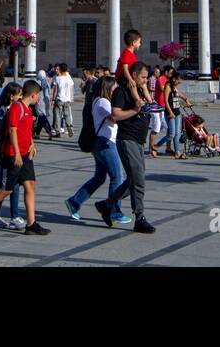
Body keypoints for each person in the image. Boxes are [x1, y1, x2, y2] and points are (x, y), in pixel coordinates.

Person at [0, 79, 49, 235]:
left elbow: (27, 130)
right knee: (6, 189)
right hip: (12, 155)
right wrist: (16, 153)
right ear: (33, 95)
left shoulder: (28, 109)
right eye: (38, 96)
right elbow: (12, 130)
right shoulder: (17, 107)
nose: (39, 99)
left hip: (25, 154)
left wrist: (32, 143)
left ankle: (31, 223)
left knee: (30, 185)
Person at [64, 74, 136, 226]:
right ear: (108, 87)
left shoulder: (101, 101)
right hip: (105, 143)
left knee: (99, 177)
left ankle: (74, 202)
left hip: (102, 143)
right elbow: (114, 117)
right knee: (117, 177)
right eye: (114, 87)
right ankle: (114, 211)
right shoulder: (102, 101)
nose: (115, 90)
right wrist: (134, 110)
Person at [110, 61, 157, 233]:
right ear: (134, 75)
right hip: (127, 139)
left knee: (134, 179)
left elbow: (152, 106)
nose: (145, 81)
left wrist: (144, 90)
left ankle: (107, 204)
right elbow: (115, 115)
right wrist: (134, 111)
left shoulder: (137, 91)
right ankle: (139, 218)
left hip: (138, 142)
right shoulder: (121, 91)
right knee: (138, 180)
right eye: (143, 78)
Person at [0, 82, 26, 229]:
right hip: (3, 150)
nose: (21, 97)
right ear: (11, 96)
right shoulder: (1, 108)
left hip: (11, 149)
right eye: (19, 94)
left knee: (6, 184)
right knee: (10, 184)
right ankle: (13, 216)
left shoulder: (14, 107)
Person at [156, 74, 187, 157]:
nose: (178, 83)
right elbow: (166, 101)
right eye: (178, 81)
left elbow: (179, 94)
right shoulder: (168, 86)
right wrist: (170, 112)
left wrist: (186, 100)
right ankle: (156, 146)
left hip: (177, 113)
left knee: (177, 134)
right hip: (170, 114)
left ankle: (177, 152)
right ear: (174, 79)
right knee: (171, 134)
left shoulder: (173, 87)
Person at [51, 64, 75, 138]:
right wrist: (71, 98)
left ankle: (58, 132)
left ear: (60, 69)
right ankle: (69, 128)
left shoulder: (57, 78)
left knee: (57, 116)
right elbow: (72, 89)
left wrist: (53, 99)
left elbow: (56, 90)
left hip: (59, 99)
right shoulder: (69, 78)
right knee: (67, 115)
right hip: (67, 100)